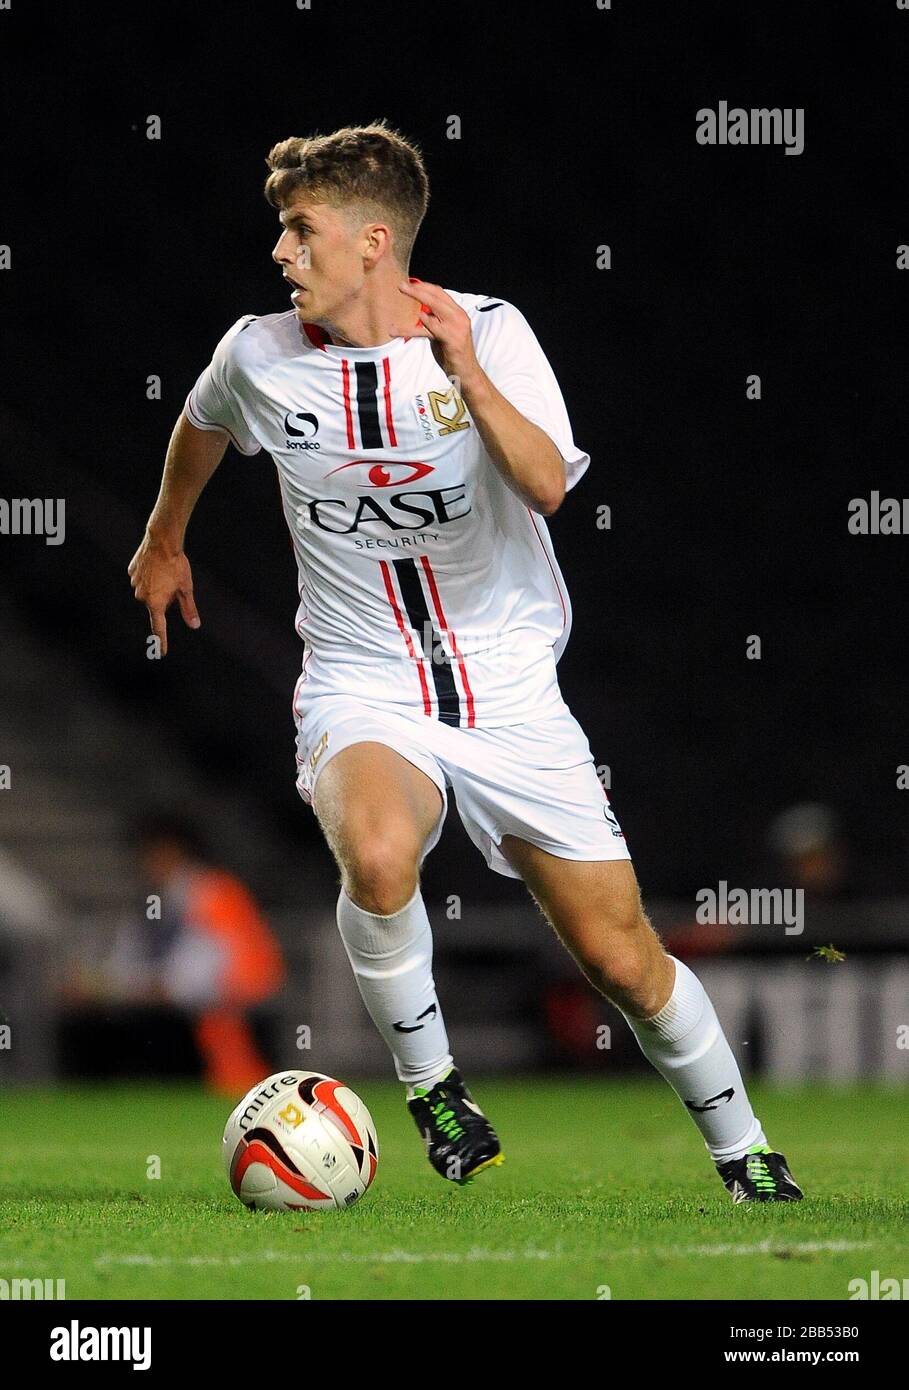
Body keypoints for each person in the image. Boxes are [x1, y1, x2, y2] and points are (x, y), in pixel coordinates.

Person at [129, 121, 801, 1201]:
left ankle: (745, 1154)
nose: (281, 252)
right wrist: (165, 538)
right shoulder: (258, 353)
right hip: (363, 679)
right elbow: (201, 425)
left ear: (373, 242)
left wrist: (471, 380)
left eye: (301, 231)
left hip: (509, 689)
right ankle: (435, 1089)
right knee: (382, 856)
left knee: (623, 959)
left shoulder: (491, 331)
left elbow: (548, 485)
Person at [104, 812, 285, 1094]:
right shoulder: (155, 897)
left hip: (238, 1004)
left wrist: (158, 986)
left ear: (175, 852)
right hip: (193, 1003)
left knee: (236, 1083)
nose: (149, 864)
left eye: (156, 854)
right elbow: (131, 956)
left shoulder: (210, 892)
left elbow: (210, 963)